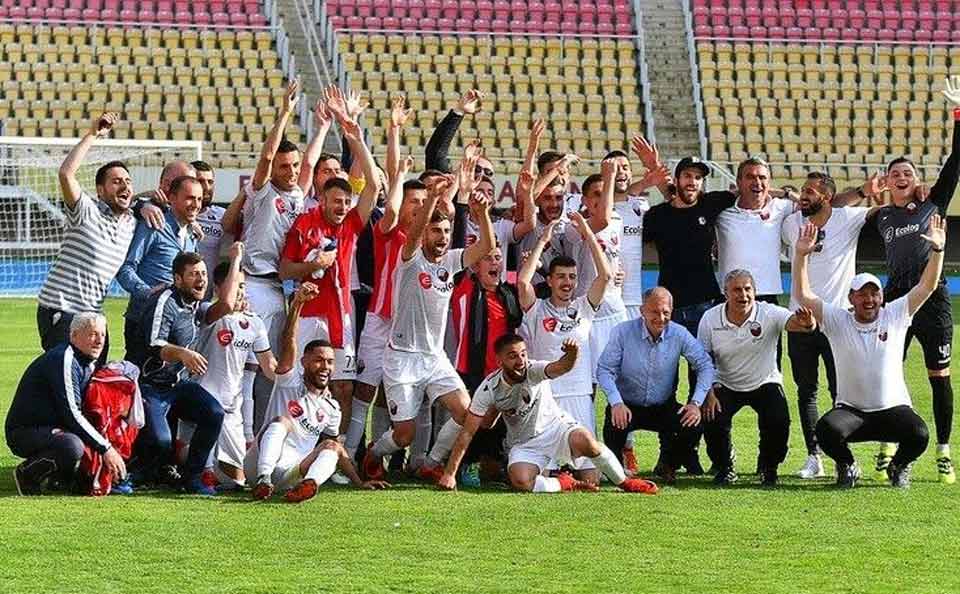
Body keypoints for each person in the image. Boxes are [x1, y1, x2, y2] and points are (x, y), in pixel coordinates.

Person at [832, 78, 960, 483]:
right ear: (887, 182)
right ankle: (889, 442)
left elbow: (957, 160)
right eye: (895, 173)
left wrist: (958, 114)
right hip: (894, 301)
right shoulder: (880, 215)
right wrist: (861, 193)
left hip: (932, 299)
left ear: (916, 179)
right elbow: (833, 209)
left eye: (907, 172)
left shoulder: (932, 203)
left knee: (939, 377)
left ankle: (942, 450)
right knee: (887, 368)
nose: (902, 176)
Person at [362, 152, 495, 481]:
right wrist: (433, 197)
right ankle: (373, 454)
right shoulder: (410, 261)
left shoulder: (450, 262)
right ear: (425, 235)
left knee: (468, 414)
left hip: (434, 358)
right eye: (436, 232)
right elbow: (411, 237)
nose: (443, 237)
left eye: (446, 232)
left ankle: (431, 462)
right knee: (404, 435)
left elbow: (485, 248)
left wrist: (481, 214)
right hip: (403, 359)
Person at [792, 217, 946, 488]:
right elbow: (803, 295)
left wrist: (937, 251)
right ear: (851, 298)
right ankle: (848, 465)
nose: (869, 299)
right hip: (853, 413)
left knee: (919, 434)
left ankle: (898, 466)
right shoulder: (838, 320)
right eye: (862, 294)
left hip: (893, 410)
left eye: (874, 294)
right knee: (826, 431)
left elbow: (927, 286)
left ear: (882, 297)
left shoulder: (896, 314)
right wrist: (801, 255)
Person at [279, 88, 381, 441]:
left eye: (345, 201)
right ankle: (297, 445)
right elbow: (285, 269)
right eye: (335, 200)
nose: (341, 206)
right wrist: (312, 267)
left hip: (342, 314)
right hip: (308, 315)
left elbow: (374, 185)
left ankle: (341, 453)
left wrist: (354, 135)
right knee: (299, 382)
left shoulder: (352, 223)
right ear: (321, 198)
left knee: (344, 389)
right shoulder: (304, 224)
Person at [436, 334, 657, 494]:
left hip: (557, 428)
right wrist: (450, 474)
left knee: (588, 442)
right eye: (512, 356)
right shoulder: (489, 389)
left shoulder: (533, 369)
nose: (520, 360)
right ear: (499, 361)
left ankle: (625, 483)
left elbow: (560, 367)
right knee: (521, 481)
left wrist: (573, 354)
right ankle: (564, 483)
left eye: (523, 354)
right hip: (525, 444)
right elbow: (467, 433)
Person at [246, 287, 390, 502]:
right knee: (282, 421)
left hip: (292, 472)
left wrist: (360, 483)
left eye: (330, 362)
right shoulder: (289, 381)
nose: (325, 367)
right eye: (318, 360)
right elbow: (289, 341)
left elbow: (337, 451)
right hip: (257, 464)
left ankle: (307, 486)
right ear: (304, 363)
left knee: (331, 445)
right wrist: (296, 305)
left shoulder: (332, 408)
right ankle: (263, 479)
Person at [780, 172, 874, 479]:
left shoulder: (848, 218)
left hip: (838, 322)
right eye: (803, 191)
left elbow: (878, 211)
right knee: (806, 391)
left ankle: (841, 457)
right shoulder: (791, 224)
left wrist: (871, 191)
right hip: (800, 320)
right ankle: (813, 456)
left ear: (827, 197)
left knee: (840, 392)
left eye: (810, 192)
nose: (803, 196)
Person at [698, 269, 817, 486]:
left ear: (755, 292)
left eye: (747, 289)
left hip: (764, 381)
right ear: (725, 293)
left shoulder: (769, 312)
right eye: (736, 290)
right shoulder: (710, 318)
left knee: (778, 420)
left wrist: (807, 324)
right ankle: (725, 466)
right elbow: (703, 360)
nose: (742, 295)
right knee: (712, 418)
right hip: (725, 382)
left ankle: (768, 467)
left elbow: (796, 324)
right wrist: (709, 392)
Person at [36, 113, 136, 365]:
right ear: (100, 191)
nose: (124, 186)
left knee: (95, 385)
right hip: (63, 310)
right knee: (67, 378)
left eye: (127, 181)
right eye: (116, 182)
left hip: (94, 315)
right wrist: (93, 134)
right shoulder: (86, 211)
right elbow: (66, 174)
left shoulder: (133, 222)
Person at [517, 213, 608, 483]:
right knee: (541, 473)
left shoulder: (583, 308)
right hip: (546, 397)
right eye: (560, 277)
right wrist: (543, 241)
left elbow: (605, 276)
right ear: (550, 280)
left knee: (591, 478)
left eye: (571, 277)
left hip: (579, 394)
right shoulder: (537, 310)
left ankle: (572, 479)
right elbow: (523, 282)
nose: (567, 282)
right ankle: (562, 481)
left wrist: (588, 236)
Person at [178, 244, 278, 489]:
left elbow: (269, 367)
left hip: (232, 407)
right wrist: (235, 259)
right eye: (238, 286)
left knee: (239, 479)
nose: (242, 292)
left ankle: (203, 469)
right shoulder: (207, 313)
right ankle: (184, 467)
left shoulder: (254, 323)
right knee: (189, 460)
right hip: (203, 402)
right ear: (221, 287)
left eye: (244, 287)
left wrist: (297, 383)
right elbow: (225, 303)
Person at [127, 252, 225, 495]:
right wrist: (183, 354)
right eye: (193, 274)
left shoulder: (195, 304)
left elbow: (227, 306)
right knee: (162, 442)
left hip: (177, 385)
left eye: (203, 273)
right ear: (178, 279)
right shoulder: (165, 301)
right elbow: (154, 345)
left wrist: (236, 259)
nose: (200, 279)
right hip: (149, 385)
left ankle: (192, 477)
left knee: (214, 412)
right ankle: (135, 474)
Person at [596, 287, 715, 484]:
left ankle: (668, 464)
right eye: (654, 311)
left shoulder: (679, 333)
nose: (660, 317)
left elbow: (705, 365)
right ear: (642, 310)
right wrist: (616, 402)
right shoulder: (622, 332)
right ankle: (616, 469)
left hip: (662, 406)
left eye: (666, 312)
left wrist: (695, 403)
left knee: (693, 425)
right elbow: (604, 370)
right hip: (627, 405)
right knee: (613, 425)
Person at [7, 313, 126, 495]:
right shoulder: (64, 359)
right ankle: (27, 474)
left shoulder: (88, 361)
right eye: (92, 334)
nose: (99, 341)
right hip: (25, 431)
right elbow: (72, 413)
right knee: (72, 445)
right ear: (74, 336)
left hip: (54, 426)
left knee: (90, 436)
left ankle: (62, 479)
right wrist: (106, 448)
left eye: (102, 335)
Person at [117, 175, 203, 359]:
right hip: (143, 319)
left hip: (177, 322)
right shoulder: (154, 225)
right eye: (189, 197)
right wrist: (148, 292)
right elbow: (125, 268)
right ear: (171, 198)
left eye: (199, 199)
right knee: (140, 379)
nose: (195, 204)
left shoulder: (192, 236)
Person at [191, 160, 225, 298]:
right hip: (175, 297)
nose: (206, 187)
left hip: (205, 298)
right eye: (200, 181)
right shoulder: (173, 212)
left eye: (210, 182)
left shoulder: (222, 217)